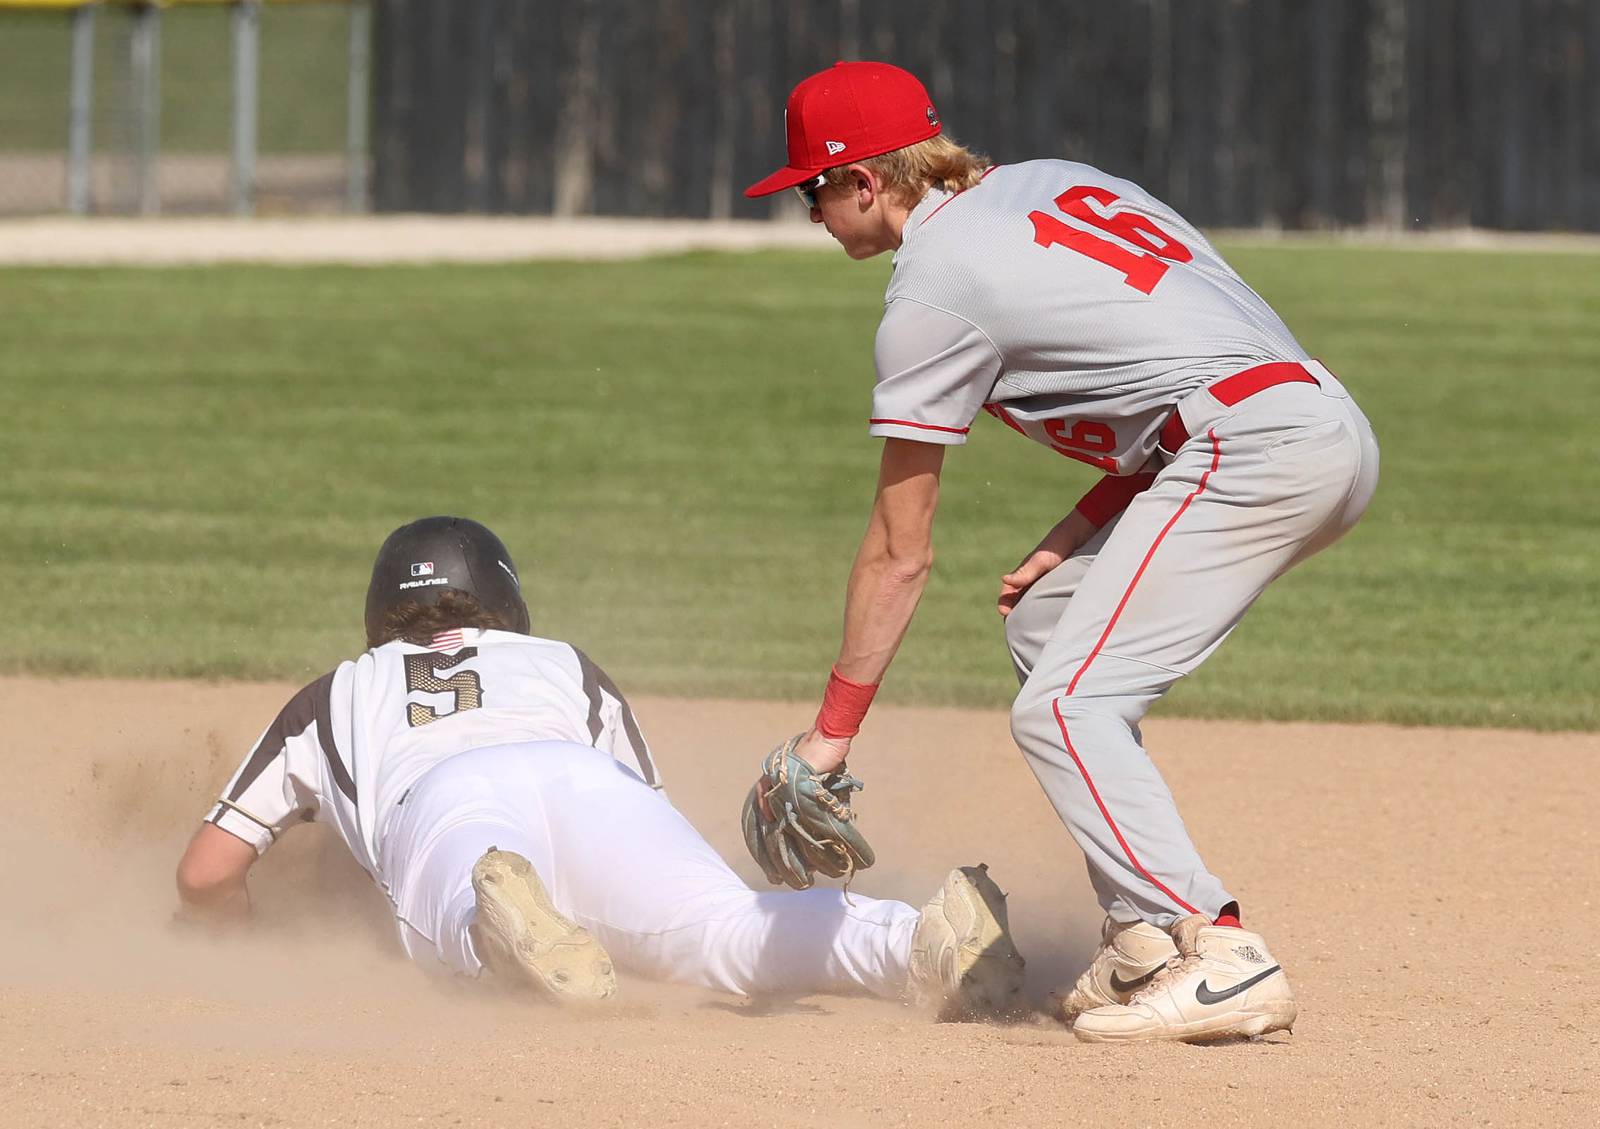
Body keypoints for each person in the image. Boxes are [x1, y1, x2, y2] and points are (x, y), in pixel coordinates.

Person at [742, 61, 1379, 1043]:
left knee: (1064, 705)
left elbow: (898, 551)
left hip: (1245, 450)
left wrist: (829, 736)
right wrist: (1079, 532)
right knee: (1051, 623)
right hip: (1316, 425)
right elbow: (1206, 352)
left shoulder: (930, 292)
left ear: (867, 182)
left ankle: (1217, 950)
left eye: (811, 190)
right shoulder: (1055, 182)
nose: (809, 212)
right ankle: (1142, 941)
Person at [174, 515, 1025, 1016]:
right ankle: (916, 936)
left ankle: (496, 924)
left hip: (441, 805)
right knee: (723, 928)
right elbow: (641, 806)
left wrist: (238, 950)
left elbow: (208, 875)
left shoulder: (337, 691)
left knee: (460, 925)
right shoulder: (563, 662)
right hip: (587, 783)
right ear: (504, 602)